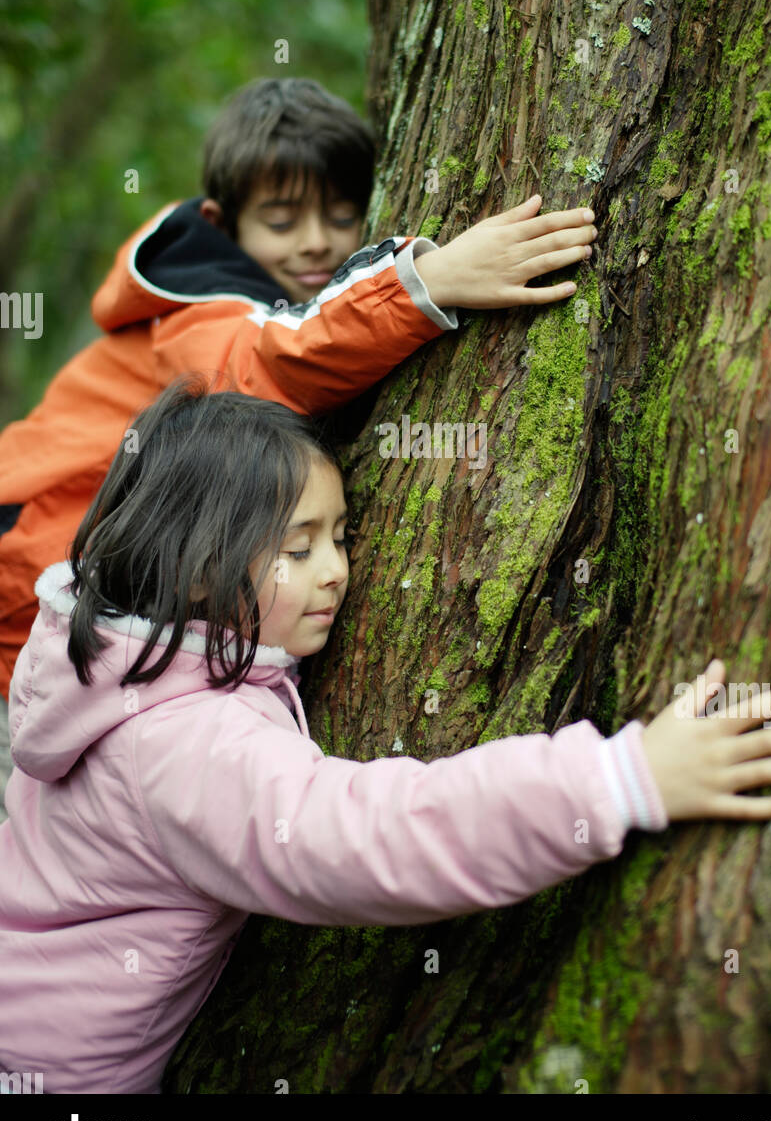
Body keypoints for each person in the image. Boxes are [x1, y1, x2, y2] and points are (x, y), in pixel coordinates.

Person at [0, 378, 771, 1094]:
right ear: (197, 566)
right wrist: (616, 781)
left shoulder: (105, 665)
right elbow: (364, 835)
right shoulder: (182, 747)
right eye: (300, 546)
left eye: (342, 536)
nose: (337, 570)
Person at [0, 74, 599, 815]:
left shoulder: (263, 293)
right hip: (33, 575)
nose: (317, 242)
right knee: (51, 808)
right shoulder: (199, 303)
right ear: (224, 223)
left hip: (88, 596)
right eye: (282, 223)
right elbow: (260, 371)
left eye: (342, 218)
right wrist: (429, 280)